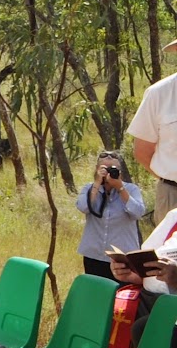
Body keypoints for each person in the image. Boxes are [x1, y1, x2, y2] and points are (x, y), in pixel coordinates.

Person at [76, 150, 146, 278]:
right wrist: (97, 183)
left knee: (121, 295)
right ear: (97, 169)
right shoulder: (89, 188)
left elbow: (138, 213)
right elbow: (83, 207)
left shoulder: (131, 189)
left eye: (113, 169)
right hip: (94, 255)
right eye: (104, 169)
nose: (108, 173)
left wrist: (120, 188)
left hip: (122, 257)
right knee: (98, 293)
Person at [130, 45, 177, 223]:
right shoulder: (159, 94)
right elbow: (142, 151)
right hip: (173, 197)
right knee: (170, 251)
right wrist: (169, 180)